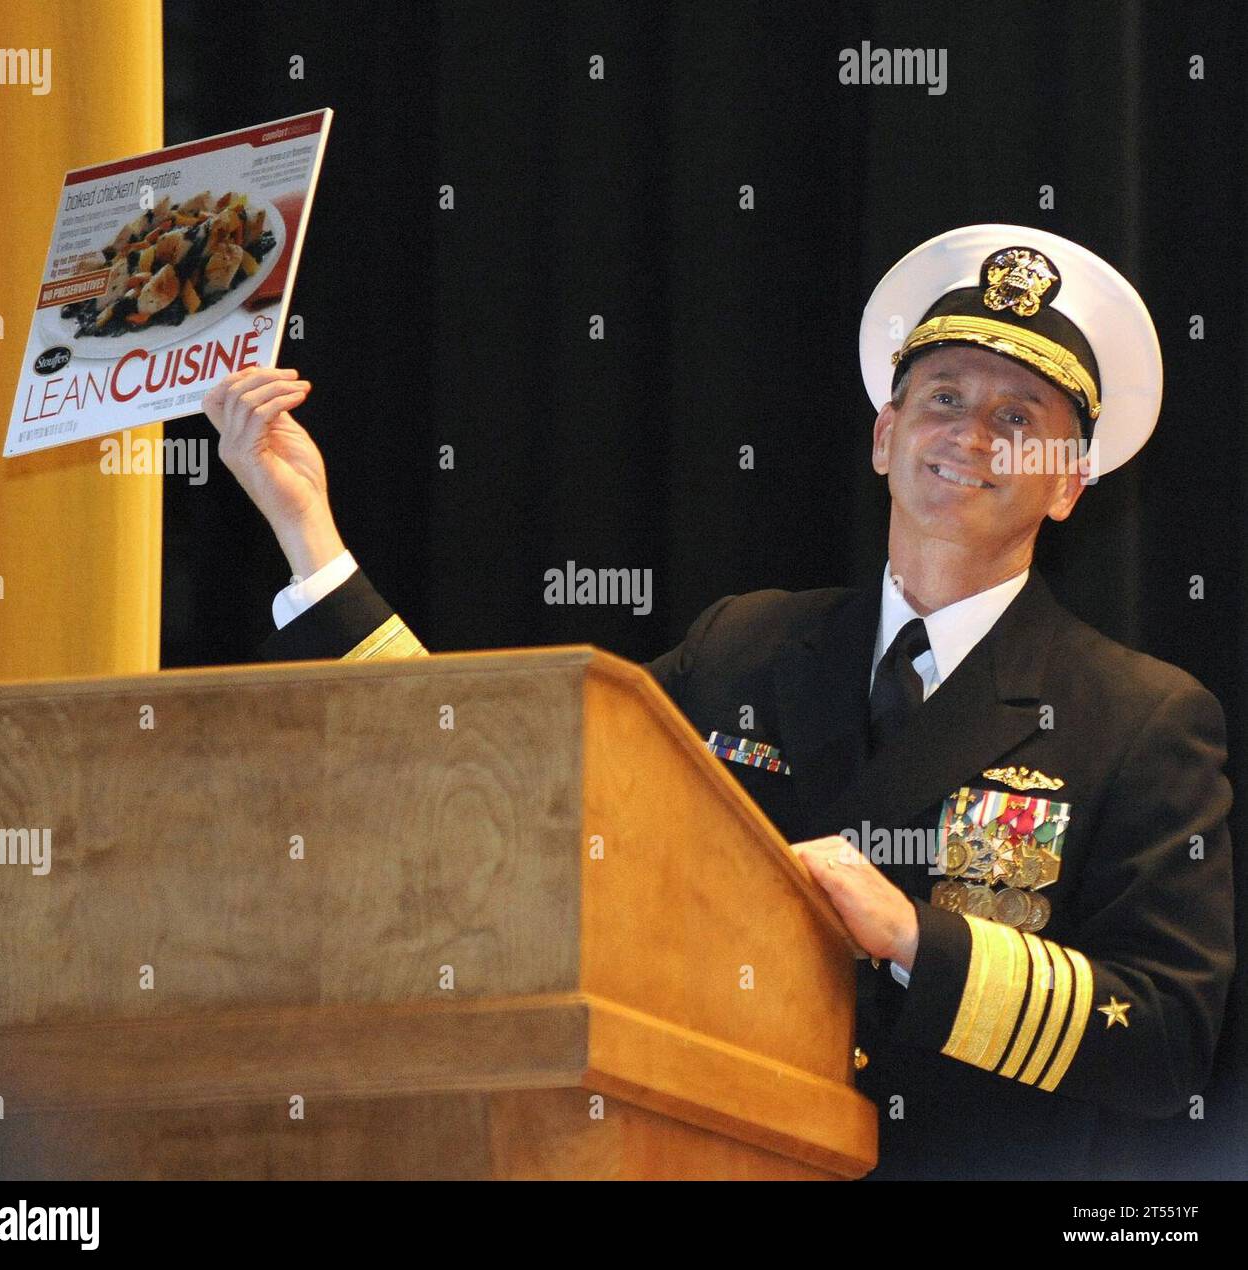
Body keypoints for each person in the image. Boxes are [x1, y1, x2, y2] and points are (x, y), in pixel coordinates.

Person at [203, 224, 1235, 1180]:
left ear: (1066, 483)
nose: (970, 435)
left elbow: (1167, 1043)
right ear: (885, 436)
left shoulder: (1139, 717)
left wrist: (918, 938)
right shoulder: (744, 645)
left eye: (1018, 419)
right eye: (944, 399)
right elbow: (511, 799)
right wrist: (311, 539)